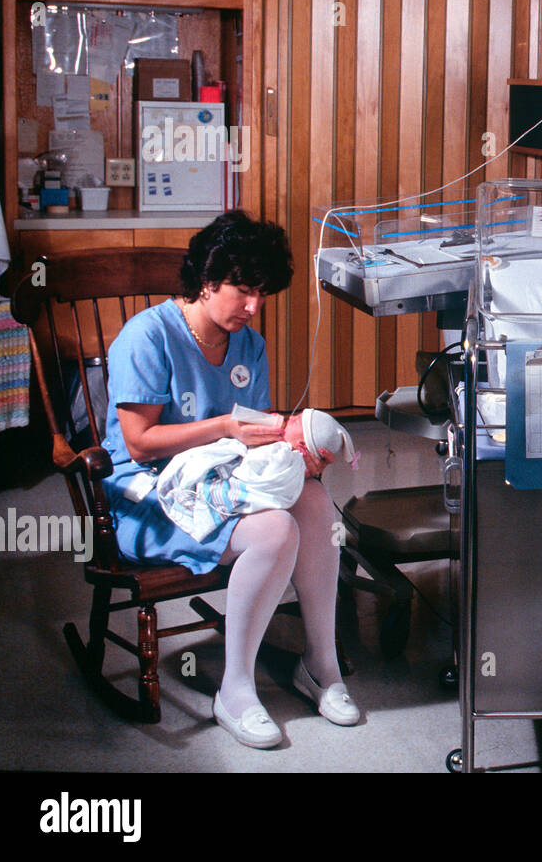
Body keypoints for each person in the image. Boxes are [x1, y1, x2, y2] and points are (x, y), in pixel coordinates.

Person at [101, 211, 359, 749]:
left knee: (313, 503)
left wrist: (294, 450)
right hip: (148, 496)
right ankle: (235, 690)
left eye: (262, 295)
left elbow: (251, 440)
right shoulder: (147, 337)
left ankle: (321, 664)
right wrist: (223, 427)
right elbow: (139, 444)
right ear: (206, 280)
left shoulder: (249, 346)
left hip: (214, 481)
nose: (253, 307)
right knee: (274, 532)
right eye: (244, 291)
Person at [156, 408, 359, 543]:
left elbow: (261, 474)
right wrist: (227, 427)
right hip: (154, 473)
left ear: (302, 446)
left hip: (241, 486)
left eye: (294, 421)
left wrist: (299, 469)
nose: (287, 418)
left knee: (317, 498)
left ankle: (322, 609)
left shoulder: (280, 454)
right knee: (278, 527)